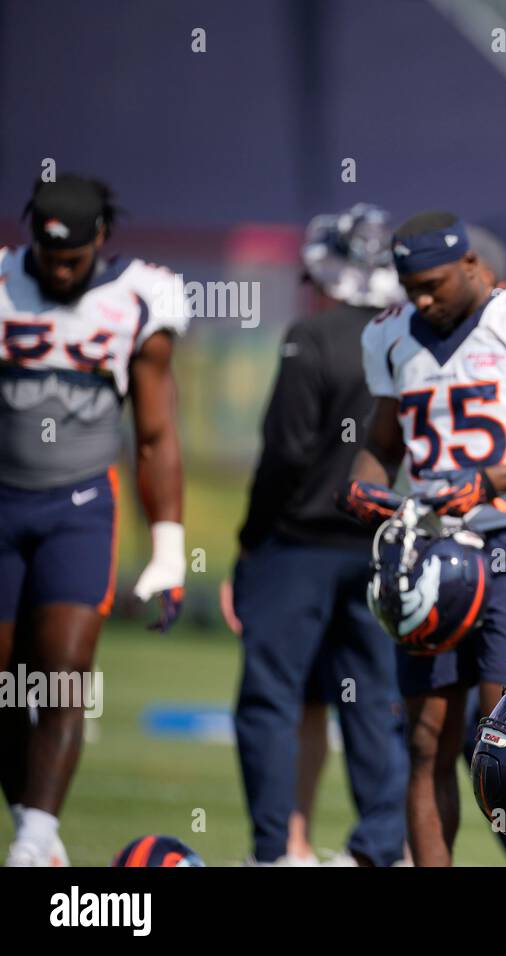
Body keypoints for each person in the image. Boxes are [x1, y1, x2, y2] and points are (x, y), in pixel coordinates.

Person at [346, 211, 506, 867]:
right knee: (426, 742)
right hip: (427, 552)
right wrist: (364, 485)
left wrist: (488, 482)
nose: (422, 299)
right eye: (410, 286)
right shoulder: (391, 335)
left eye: (435, 284)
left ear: (474, 267)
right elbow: (380, 443)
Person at [1, 175, 189, 866]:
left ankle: (33, 838)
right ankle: (33, 822)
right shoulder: (1, 286)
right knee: (4, 685)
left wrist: (168, 549)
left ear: (99, 241)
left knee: (63, 672)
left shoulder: (137, 299)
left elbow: (155, 433)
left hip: (77, 505)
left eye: (72, 260)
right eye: (47, 258)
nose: (58, 272)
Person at [230, 203, 408, 867]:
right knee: (377, 707)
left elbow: (283, 452)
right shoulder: (408, 337)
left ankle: (277, 849)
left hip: (300, 548)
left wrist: (251, 542)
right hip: (382, 550)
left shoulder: (312, 335)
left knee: (270, 699)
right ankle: (380, 848)